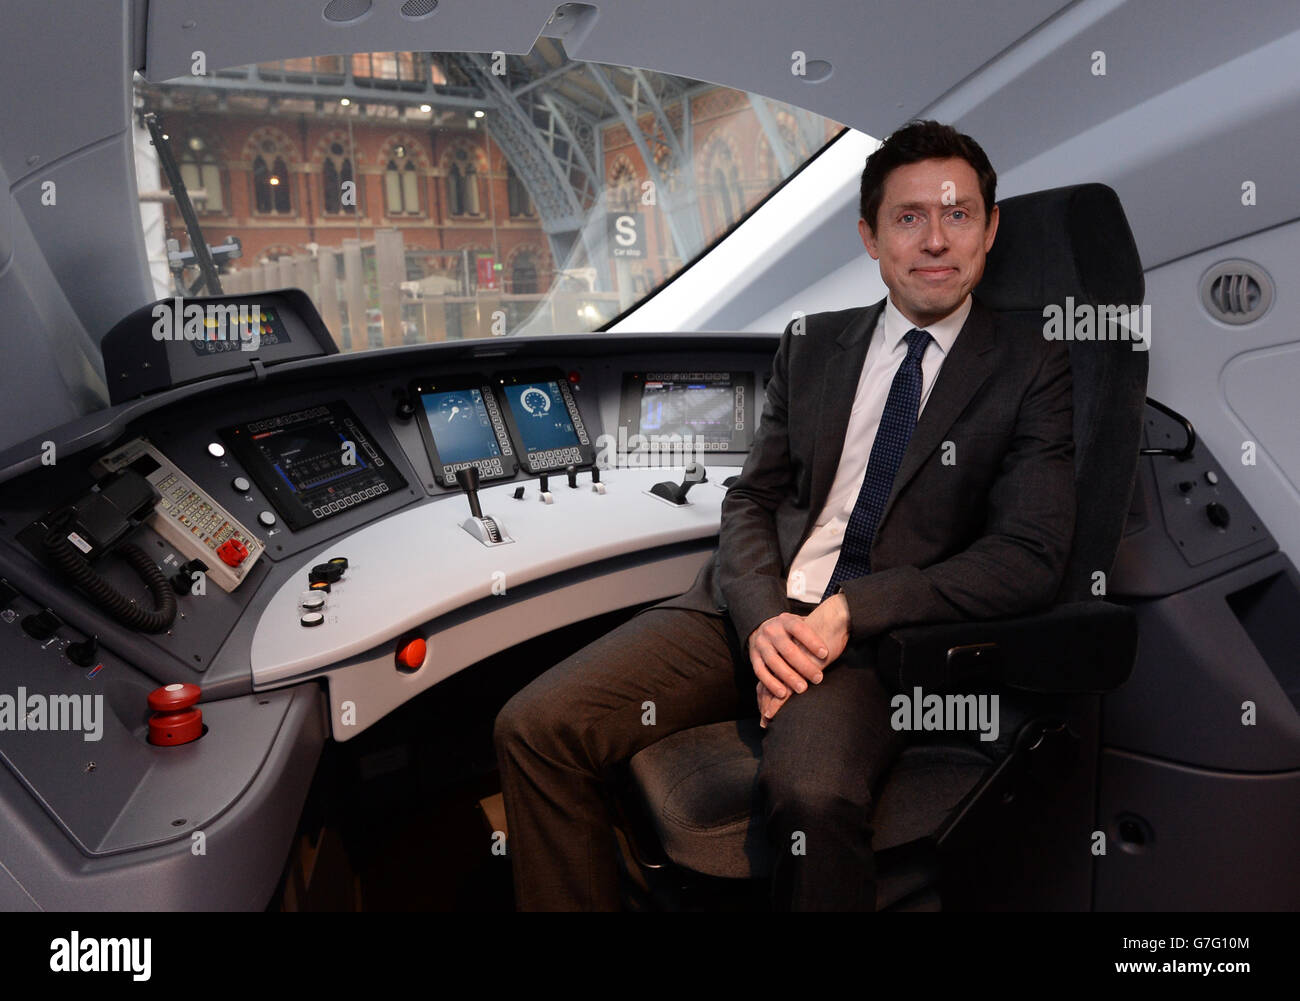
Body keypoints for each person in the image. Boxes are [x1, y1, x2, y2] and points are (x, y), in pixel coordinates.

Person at [493, 119, 1076, 910]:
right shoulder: (814, 344)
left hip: (869, 638)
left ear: (990, 228)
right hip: (745, 610)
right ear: (870, 237)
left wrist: (847, 611)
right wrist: (763, 616)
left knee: (812, 798)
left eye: (958, 214)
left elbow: (1027, 555)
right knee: (536, 725)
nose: (936, 240)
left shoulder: (1032, 364)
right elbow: (751, 500)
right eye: (909, 218)